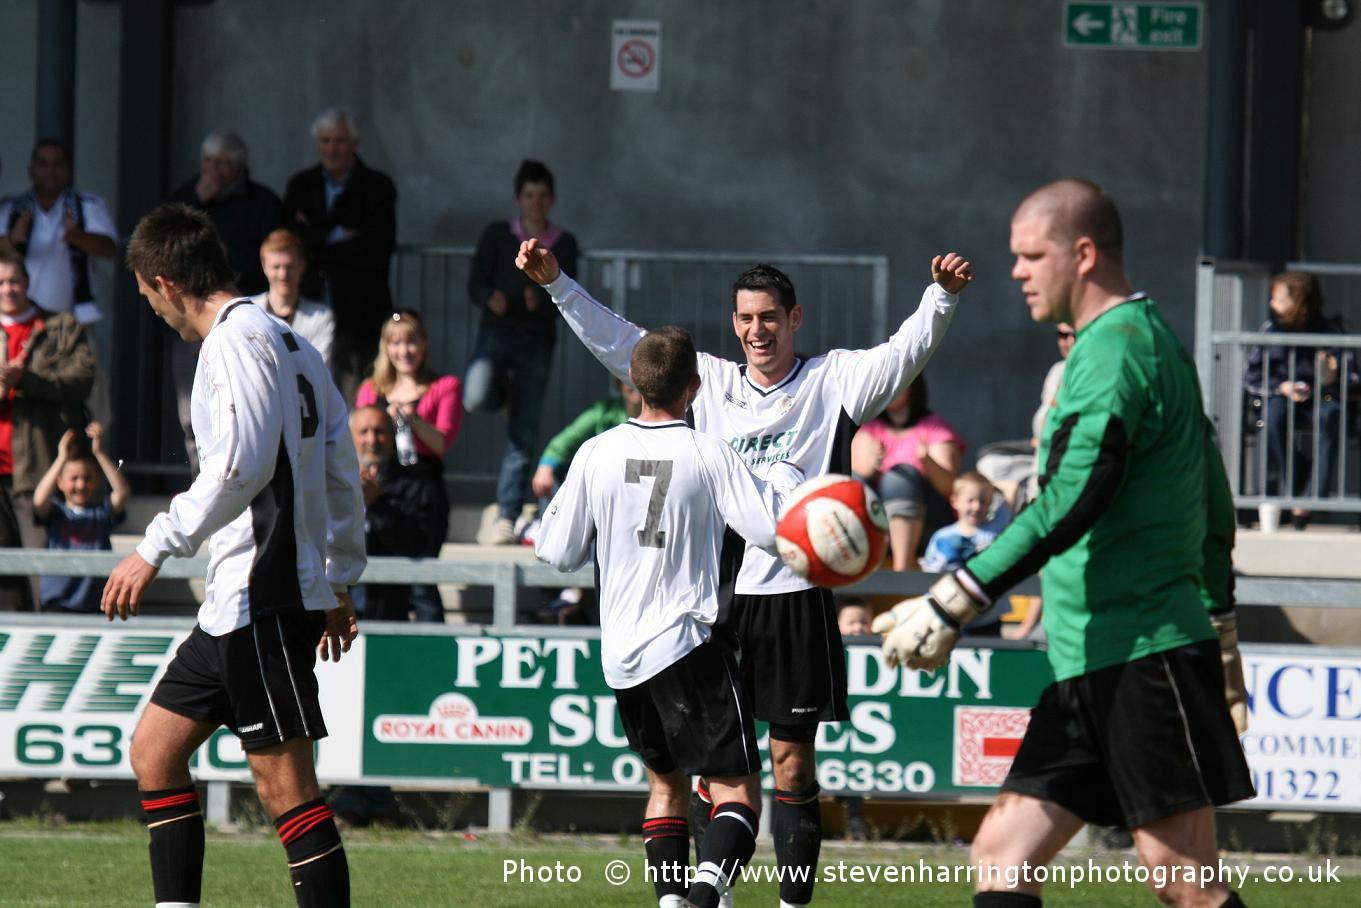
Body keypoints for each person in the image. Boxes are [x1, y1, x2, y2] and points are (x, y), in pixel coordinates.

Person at [520, 240, 972, 908]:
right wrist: (558, 284)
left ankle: (790, 905)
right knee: (713, 768)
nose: (755, 330)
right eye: (744, 318)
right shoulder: (710, 385)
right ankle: (716, 894)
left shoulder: (834, 380)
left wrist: (940, 297)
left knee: (791, 766)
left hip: (794, 595)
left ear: (795, 319)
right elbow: (622, 343)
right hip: (718, 598)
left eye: (768, 317)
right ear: (732, 324)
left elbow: (905, 351)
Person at [870, 180, 1253, 908]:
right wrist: (1224, 625)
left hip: (1141, 654)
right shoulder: (1137, 342)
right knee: (1001, 855)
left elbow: (1074, 497)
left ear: (1081, 254)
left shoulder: (1115, 351)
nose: (1014, 271)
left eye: (1028, 255)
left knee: (1185, 886)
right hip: (1090, 657)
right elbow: (1211, 496)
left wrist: (955, 596)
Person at [101, 203, 365, 908]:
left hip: (265, 593)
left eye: (146, 298)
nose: (153, 312)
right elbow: (340, 469)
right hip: (236, 601)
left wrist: (153, 547)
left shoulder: (233, 341)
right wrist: (340, 577)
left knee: (287, 790)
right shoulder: (291, 342)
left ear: (164, 283)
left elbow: (239, 469)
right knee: (155, 752)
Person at [535, 327, 799, 908]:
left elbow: (555, 551)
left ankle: (673, 902)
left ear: (634, 384)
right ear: (696, 388)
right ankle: (703, 900)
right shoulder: (708, 451)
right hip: (688, 643)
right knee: (738, 796)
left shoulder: (596, 451)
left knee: (665, 786)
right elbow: (770, 532)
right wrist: (784, 482)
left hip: (622, 656)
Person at [467, 160, 580, 544]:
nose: (535, 203)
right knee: (476, 395)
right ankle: (504, 398)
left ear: (552, 200)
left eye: (542, 196)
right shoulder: (498, 234)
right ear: (518, 199)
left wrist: (540, 301)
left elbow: (568, 293)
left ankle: (507, 512)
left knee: (523, 431)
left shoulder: (563, 242)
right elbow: (476, 282)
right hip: (496, 335)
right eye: (528, 195)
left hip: (536, 340)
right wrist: (490, 298)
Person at [0, 249, 96, 607]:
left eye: (13, 280)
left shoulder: (61, 326)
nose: (7, 289)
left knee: (44, 572)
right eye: (0, 282)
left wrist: (28, 380)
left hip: (39, 472)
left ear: (27, 282)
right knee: (5, 583)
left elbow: (83, 379)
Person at [355, 309, 462, 622]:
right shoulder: (371, 389)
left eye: (411, 343)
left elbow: (442, 443)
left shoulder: (445, 386)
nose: (404, 351)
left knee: (421, 580)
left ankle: (435, 654)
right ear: (386, 347)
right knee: (382, 580)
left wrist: (411, 418)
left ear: (424, 345)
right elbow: (361, 437)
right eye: (396, 343)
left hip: (424, 488)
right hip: (384, 487)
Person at [283, 108, 397, 400]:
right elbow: (291, 241)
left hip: (359, 309)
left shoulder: (377, 187)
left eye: (340, 141)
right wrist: (338, 238)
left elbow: (375, 247)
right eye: (325, 141)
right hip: (310, 301)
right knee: (305, 389)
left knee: (355, 394)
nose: (332, 149)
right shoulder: (301, 185)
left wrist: (316, 239)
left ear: (354, 144)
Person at [1243, 270, 1358, 529]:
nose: (1273, 305)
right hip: (1284, 397)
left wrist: (1332, 377)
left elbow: (1353, 382)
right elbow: (1251, 377)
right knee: (1272, 417)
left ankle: (1313, 498)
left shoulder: (1332, 332)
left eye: (1280, 300)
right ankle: (1293, 486)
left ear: (1302, 306)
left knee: (1332, 416)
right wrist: (1281, 386)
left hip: (1326, 396)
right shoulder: (1271, 330)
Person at [850, 374, 965, 571]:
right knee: (853, 481)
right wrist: (872, 465)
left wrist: (926, 461)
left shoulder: (935, 428)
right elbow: (857, 475)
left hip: (930, 521)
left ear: (911, 387)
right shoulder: (869, 428)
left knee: (899, 478)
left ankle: (902, 570)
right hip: (880, 524)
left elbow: (948, 487)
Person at [347, 404, 447, 622]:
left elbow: (418, 545)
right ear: (350, 437)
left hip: (393, 611)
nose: (372, 440)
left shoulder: (416, 483)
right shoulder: (332, 481)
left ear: (392, 436)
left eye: (380, 432)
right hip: (342, 611)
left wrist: (377, 504)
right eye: (364, 432)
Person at [0, 139, 117, 324]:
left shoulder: (87, 205)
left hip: (74, 320)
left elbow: (111, 249)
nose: (50, 171)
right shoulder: (11, 209)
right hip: (19, 319)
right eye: (43, 163)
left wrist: (78, 237)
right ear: (31, 170)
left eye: (57, 164)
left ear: (69, 170)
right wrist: (12, 238)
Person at [975, 322, 1074, 511]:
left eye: (1073, 335)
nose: (1068, 341)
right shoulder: (1058, 371)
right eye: (1061, 335)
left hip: (1063, 454)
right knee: (989, 460)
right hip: (1040, 446)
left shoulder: (1089, 372)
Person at [169, 131, 282, 296]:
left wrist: (229, 254)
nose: (212, 170)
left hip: (245, 292)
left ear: (238, 168)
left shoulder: (263, 202)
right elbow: (165, 231)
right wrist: (196, 199)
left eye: (221, 163)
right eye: (208, 160)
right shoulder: (186, 194)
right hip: (193, 292)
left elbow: (272, 253)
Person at [33, 422, 128, 613]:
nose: (81, 484)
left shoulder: (101, 512)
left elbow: (122, 492)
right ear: (60, 482)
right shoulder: (57, 512)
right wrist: (62, 458)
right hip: (57, 603)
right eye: (74, 478)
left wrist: (99, 453)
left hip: (94, 602)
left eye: (87, 478)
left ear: (96, 482)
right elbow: (39, 501)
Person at [919, 471, 1010, 635]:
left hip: (988, 619)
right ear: (955, 501)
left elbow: (1011, 492)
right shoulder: (942, 537)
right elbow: (930, 576)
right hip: (952, 616)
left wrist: (993, 487)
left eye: (983, 501)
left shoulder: (996, 532)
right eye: (971, 500)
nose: (977, 507)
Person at [251, 229, 336, 367]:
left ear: (302, 265)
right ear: (264, 266)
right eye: (276, 267)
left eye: (289, 267)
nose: (283, 274)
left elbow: (319, 369)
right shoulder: (249, 311)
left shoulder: (320, 317)